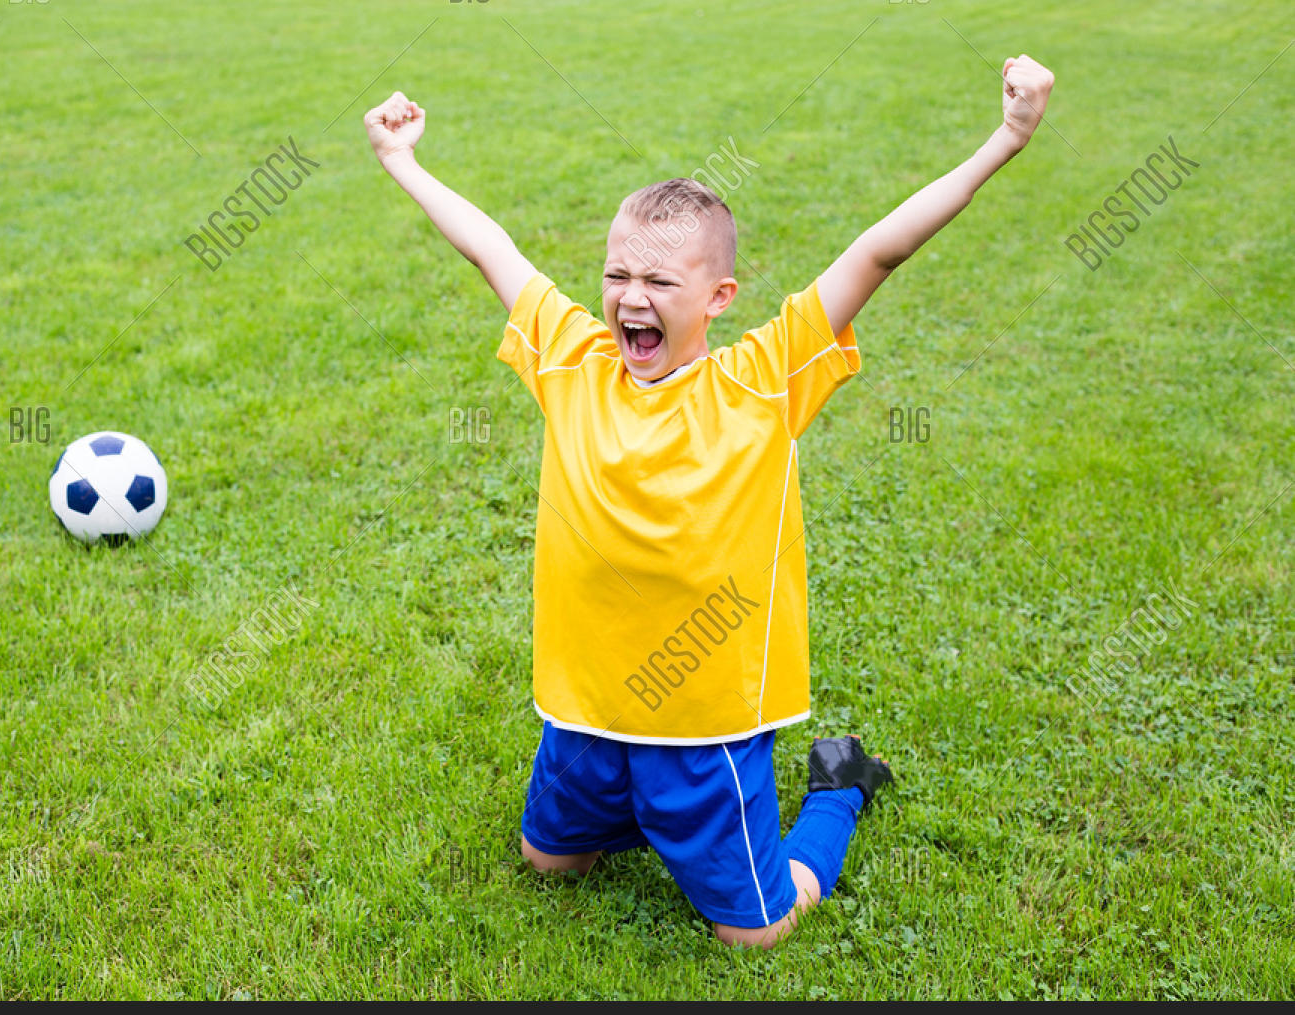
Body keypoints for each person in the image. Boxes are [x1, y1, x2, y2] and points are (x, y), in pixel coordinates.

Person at [363, 55, 1055, 947]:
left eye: (659, 283)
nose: (630, 299)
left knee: (755, 933)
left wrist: (1007, 138)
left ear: (719, 298)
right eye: (617, 276)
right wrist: (403, 161)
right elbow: (490, 246)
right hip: (586, 711)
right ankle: (635, 816)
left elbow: (881, 249)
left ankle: (838, 790)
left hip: (706, 726)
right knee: (549, 865)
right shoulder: (573, 360)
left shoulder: (764, 379)